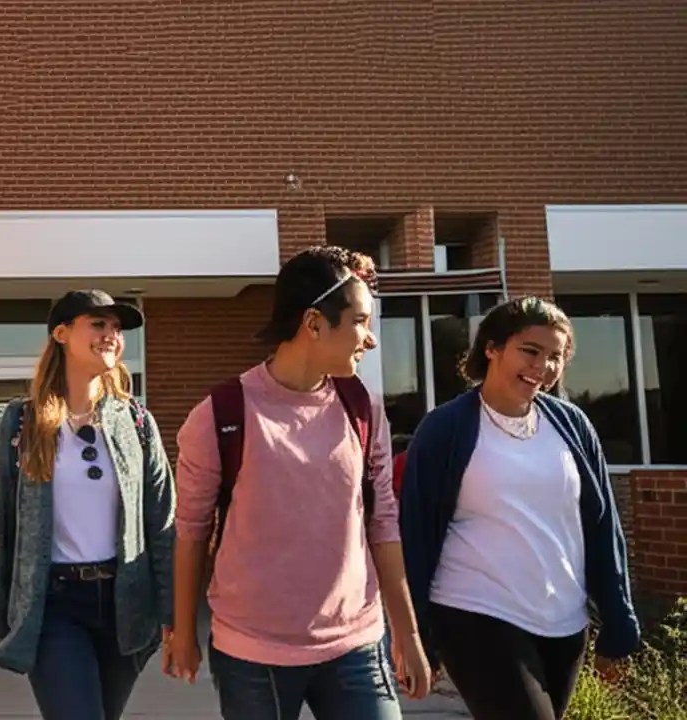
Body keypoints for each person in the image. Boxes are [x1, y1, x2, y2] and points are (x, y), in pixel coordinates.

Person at [167, 246, 432, 720]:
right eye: (359, 321)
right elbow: (191, 531)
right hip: (251, 652)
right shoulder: (221, 415)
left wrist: (407, 634)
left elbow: (383, 521)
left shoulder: (362, 407)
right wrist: (183, 632)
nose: (369, 339)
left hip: (357, 642)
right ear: (313, 323)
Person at [399, 296, 641, 720]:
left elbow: (603, 528)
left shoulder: (572, 426)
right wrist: (415, 636)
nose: (543, 367)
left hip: (564, 622)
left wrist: (619, 624)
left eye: (555, 357)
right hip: (475, 613)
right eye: (530, 351)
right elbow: (415, 535)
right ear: (492, 348)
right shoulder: (445, 429)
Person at [0, 289, 176, 720]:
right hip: (54, 605)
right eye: (99, 324)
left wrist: (172, 613)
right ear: (62, 334)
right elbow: (0, 529)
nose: (111, 335)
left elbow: (162, 524)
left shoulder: (136, 422)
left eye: (117, 328)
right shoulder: (21, 423)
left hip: (125, 605)